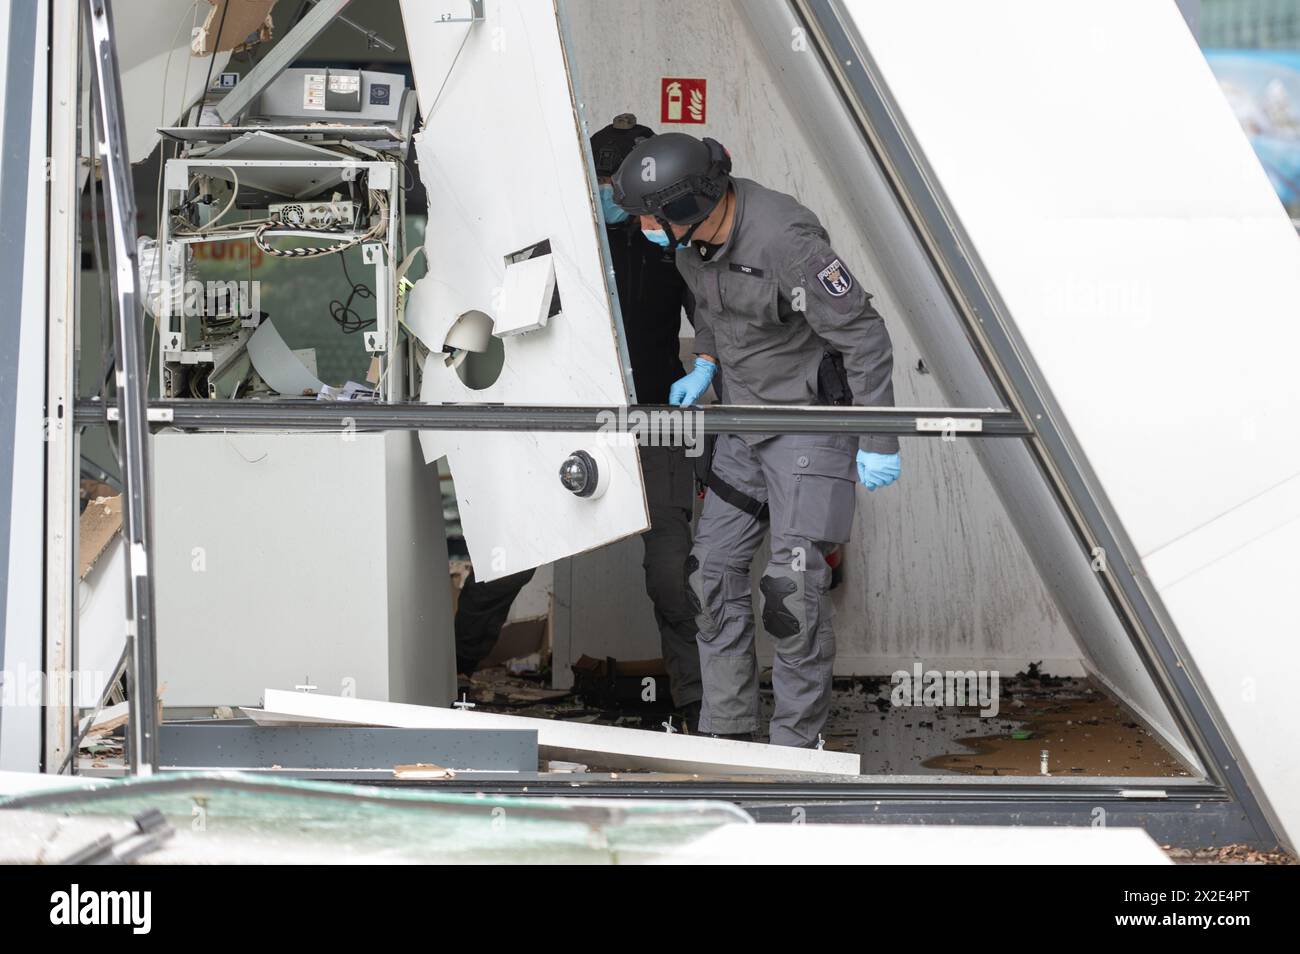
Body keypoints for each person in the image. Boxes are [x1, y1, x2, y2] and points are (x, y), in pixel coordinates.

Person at [612, 132, 902, 748]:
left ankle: (796, 751)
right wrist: (708, 365)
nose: (642, 228)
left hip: (809, 427)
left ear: (684, 207)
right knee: (708, 576)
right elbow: (713, 311)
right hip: (744, 424)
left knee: (788, 594)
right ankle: (728, 738)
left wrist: (879, 437)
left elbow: (866, 338)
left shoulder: (786, 241)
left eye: (647, 217)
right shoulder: (690, 244)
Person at [455, 115, 704, 730]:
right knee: (510, 554)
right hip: (563, 414)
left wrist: (710, 370)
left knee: (674, 577)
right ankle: (449, 679)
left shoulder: (673, 239)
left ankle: (706, 712)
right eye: (602, 186)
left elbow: (719, 316)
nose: (616, 203)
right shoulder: (551, 238)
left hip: (653, 417)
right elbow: (506, 322)